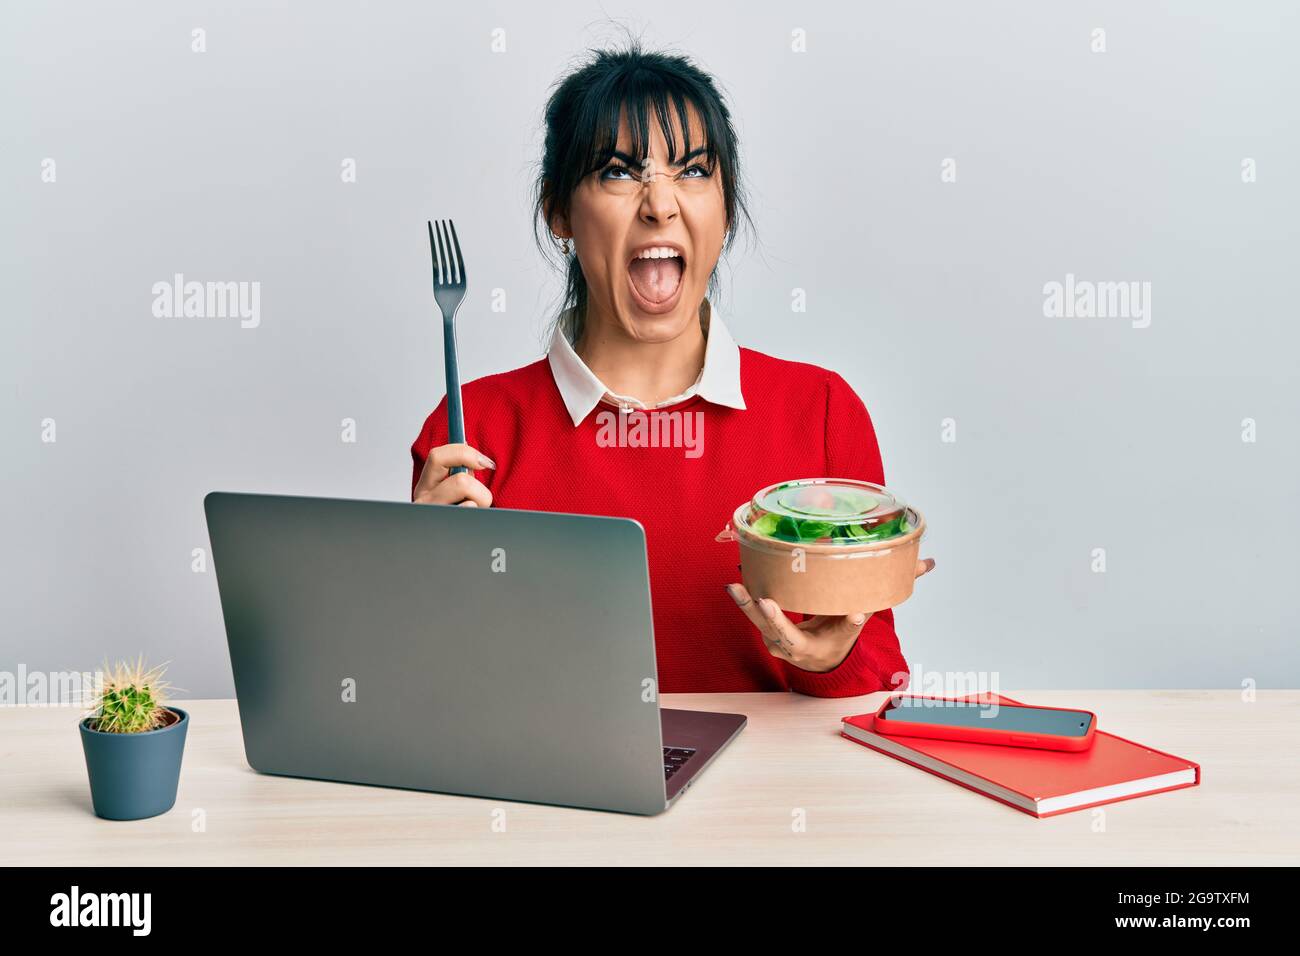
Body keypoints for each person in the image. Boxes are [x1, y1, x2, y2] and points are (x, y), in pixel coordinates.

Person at [412, 41, 933, 697]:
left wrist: (827, 660)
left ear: (724, 204)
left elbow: (878, 680)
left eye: (691, 171)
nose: (660, 204)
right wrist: (428, 588)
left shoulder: (821, 411)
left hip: (771, 797)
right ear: (559, 212)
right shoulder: (472, 433)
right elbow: (444, 699)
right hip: (557, 799)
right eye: (618, 172)